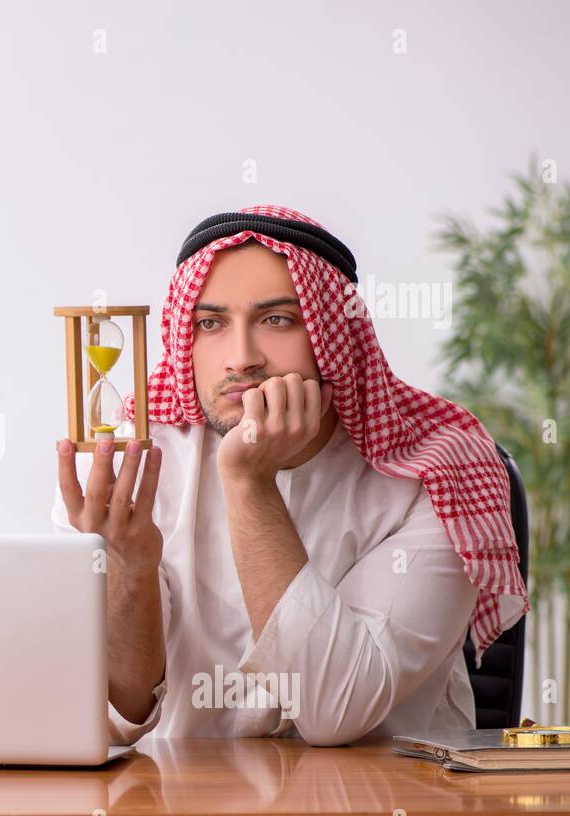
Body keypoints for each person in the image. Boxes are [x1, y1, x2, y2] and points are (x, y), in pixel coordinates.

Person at [53, 205, 529, 747]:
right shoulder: (134, 464)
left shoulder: (440, 471)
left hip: (387, 815)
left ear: (334, 336)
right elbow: (121, 716)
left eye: (277, 320)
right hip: (177, 810)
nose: (241, 358)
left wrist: (249, 484)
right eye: (210, 324)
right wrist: (130, 568)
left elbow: (335, 712)